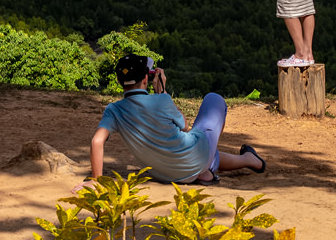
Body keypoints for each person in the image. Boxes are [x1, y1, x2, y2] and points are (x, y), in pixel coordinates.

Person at [82, 53, 265, 186]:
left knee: (204, 155)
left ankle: (251, 160)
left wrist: (96, 181)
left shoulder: (113, 110)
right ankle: (206, 169)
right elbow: (184, 126)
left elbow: (97, 141)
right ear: (146, 78)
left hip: (161, 172)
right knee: (214, 99)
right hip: (192, 159)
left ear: (119, 81)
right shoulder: (161, 100)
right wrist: (162, 91)